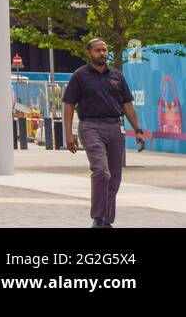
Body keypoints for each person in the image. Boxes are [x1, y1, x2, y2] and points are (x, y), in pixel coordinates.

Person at [62, 38, 146, 228]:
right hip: (90, 127)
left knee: (115, 177)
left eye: (105, 50)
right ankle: (98, 218)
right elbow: (69, 105)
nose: (102, 53)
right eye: (98, 50)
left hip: (115, 127)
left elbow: (127, 105)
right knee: (101, 171)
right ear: (89, 53)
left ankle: (106, 221)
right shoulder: (80, 76)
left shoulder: (117, 76)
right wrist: (68, 133)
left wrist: (138, 130)